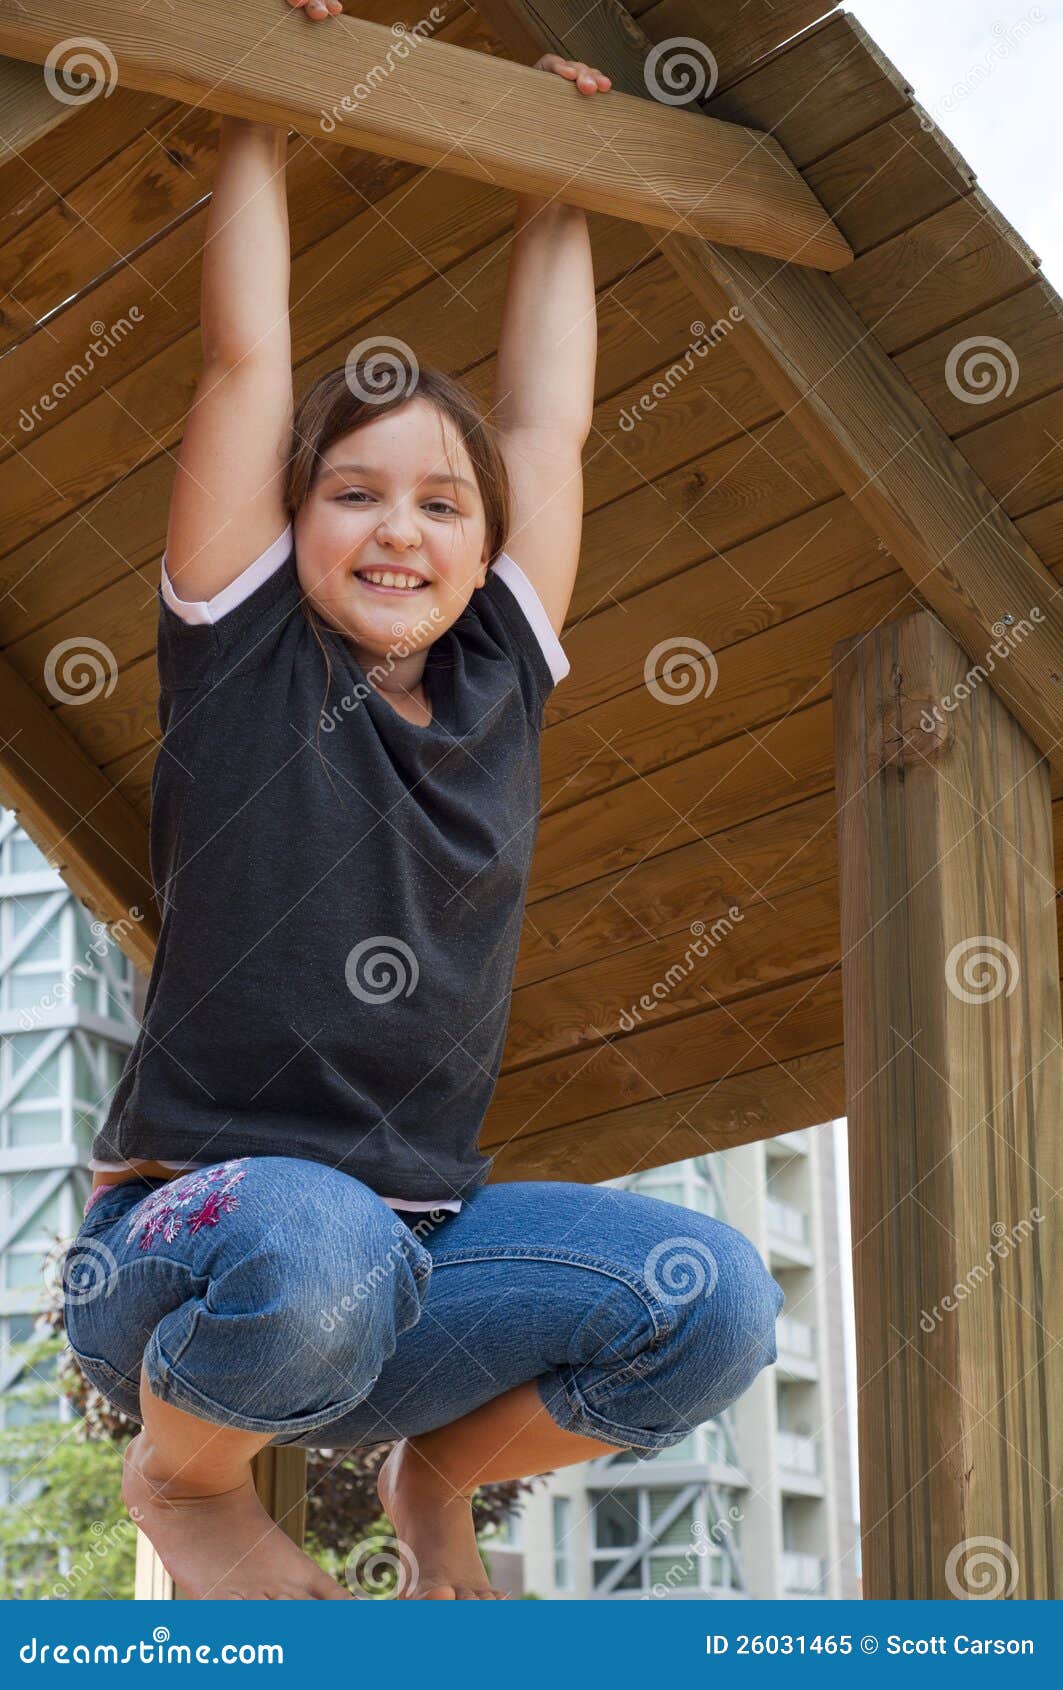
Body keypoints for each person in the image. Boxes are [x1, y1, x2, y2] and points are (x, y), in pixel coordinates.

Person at [62, 10, 784, 1602]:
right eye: (355, 493)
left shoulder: (498, 684)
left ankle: (437, 1472)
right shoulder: (242, 651)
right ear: (291, 524)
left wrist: (557, 190)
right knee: (313, 1242)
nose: (401, 529)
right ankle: (182, 1484)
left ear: (483, 548)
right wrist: (256, 104)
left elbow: (550, 427)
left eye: (441, 505)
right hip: (186, 1261)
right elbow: (246, 356)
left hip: (406, 1277)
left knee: (714, 1292)